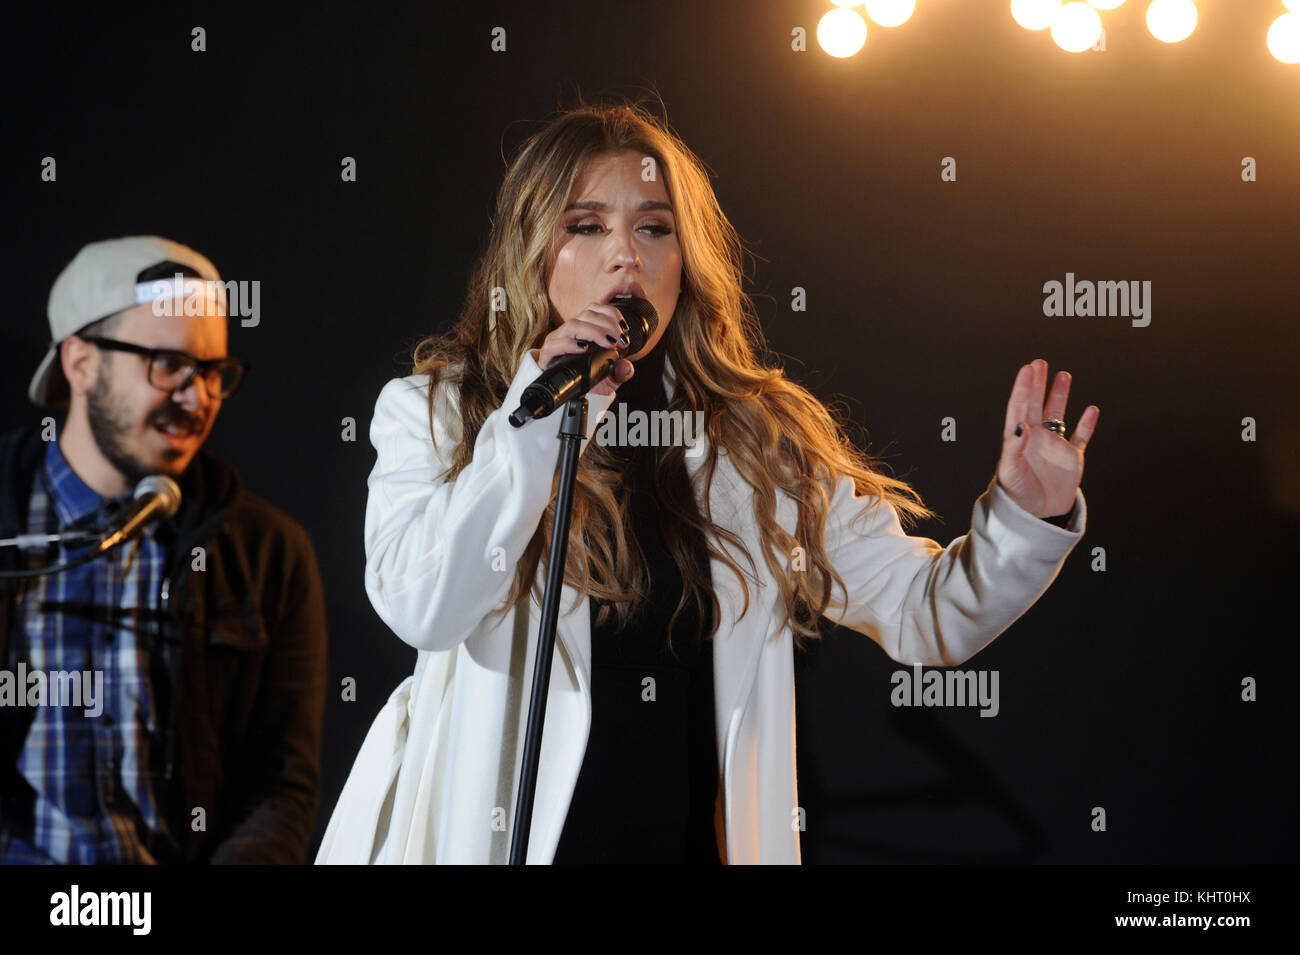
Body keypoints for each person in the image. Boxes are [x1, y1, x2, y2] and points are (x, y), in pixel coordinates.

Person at [317, 101, 1098, 865]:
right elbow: (425, 606)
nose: (626, 255)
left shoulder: (755, 443)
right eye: (585, 225)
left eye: (654, 227)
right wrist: (533, 418)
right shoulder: (443, 413)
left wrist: (1027, 516)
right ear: (534, 249)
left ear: (685, 258)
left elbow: (930, 616)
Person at [0, 236, 328, 864]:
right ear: (80, 362)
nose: (197, 397)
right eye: (167, 364)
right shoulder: (10, 520)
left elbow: (281, 789)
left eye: (212, 372)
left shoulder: (270, 553)